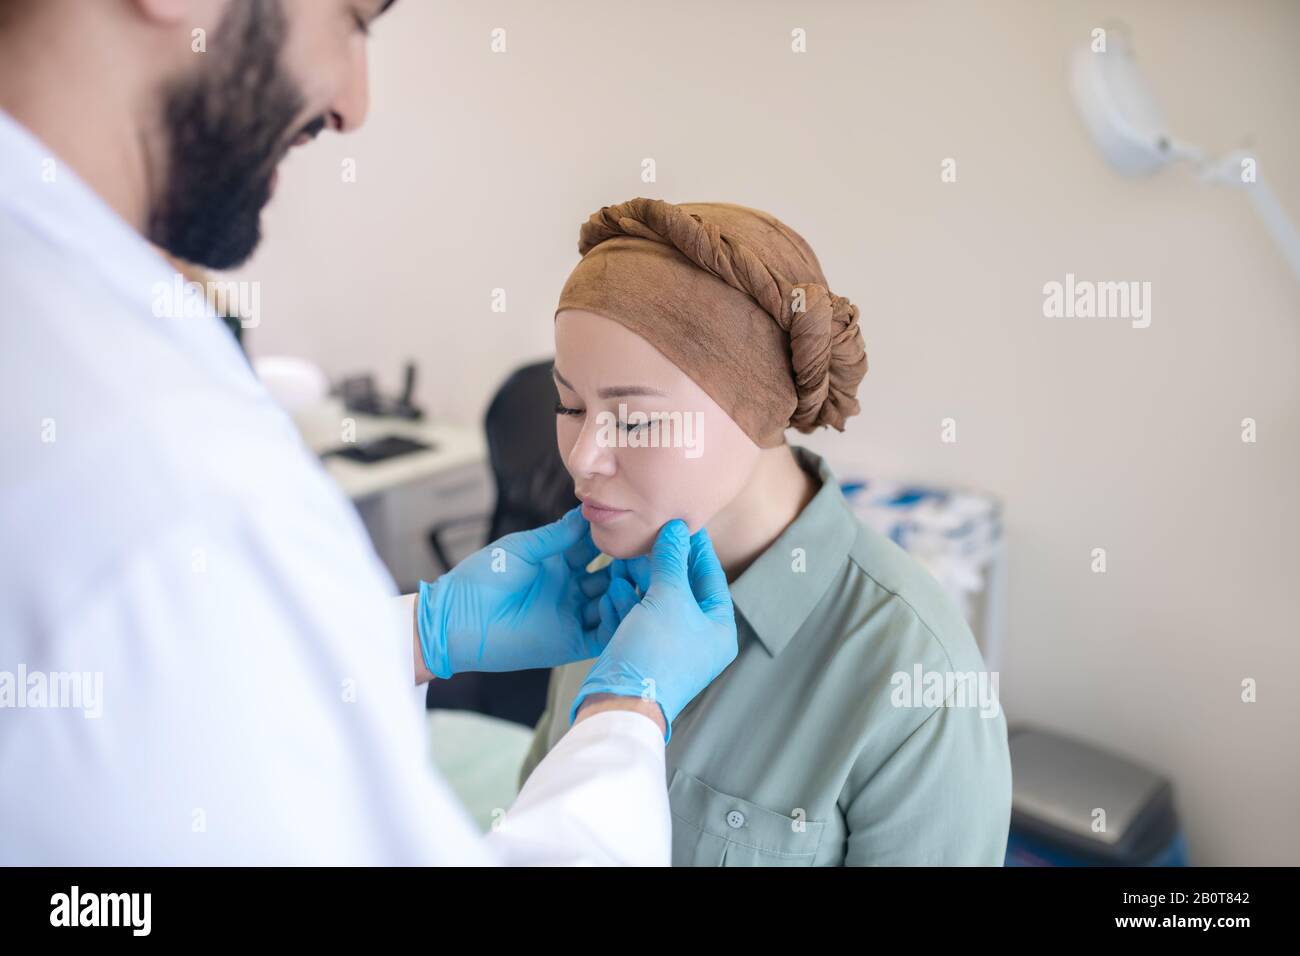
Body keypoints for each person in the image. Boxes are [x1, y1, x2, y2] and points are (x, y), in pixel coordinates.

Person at [0, 0, 735, 864]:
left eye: (637, 415)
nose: (355, 104)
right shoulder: (169, 478)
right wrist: (626, 715)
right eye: (352, 19)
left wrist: (408, 638)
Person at [519, 198, 1013, 865]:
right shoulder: (603, 590)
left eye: (633, 420)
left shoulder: (917, 678)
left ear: (755, 411)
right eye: (569, 404)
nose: (580, 457)